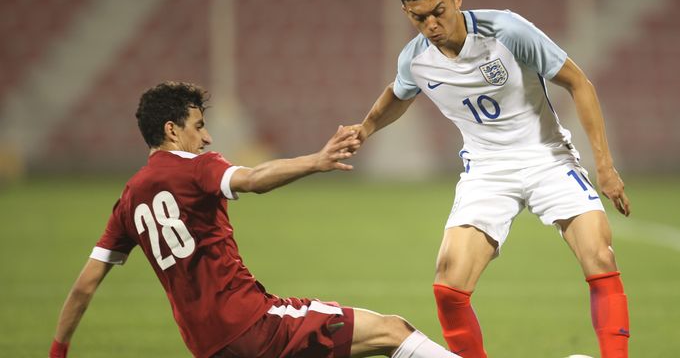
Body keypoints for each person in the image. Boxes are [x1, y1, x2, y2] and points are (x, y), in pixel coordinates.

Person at [346, 0, 632, 358]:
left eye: (438, 11)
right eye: (419, 17)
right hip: (486, 170)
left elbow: (578, 83)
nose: (431, 25)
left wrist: (605, 166)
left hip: (546, 157)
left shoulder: (508, 31)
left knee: (599, 255)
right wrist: (365, 128)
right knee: (449, 284)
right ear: (407, 13)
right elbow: (398, 93)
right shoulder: (415, 59)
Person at [49, 81, 461, 358]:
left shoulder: (128, 201)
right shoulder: (197, 168)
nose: (207, 137)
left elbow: (84, 286)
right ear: (172, 130)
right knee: (393, 331)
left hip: (207, 347)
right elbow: (253, 179)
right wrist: (316, 161)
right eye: (199, 126)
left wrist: (58, 351)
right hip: (253, 326)